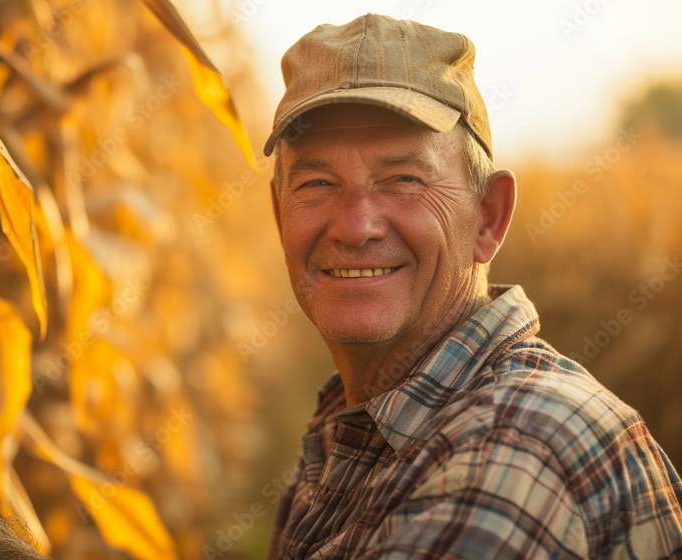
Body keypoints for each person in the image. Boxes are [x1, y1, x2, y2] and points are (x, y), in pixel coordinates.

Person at [264, 13, 682, 559]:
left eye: (403, 180)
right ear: (279, 217)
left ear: (488, 217)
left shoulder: (508, 456)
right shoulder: (370, 421)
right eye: (318, 183)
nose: (354, 225)